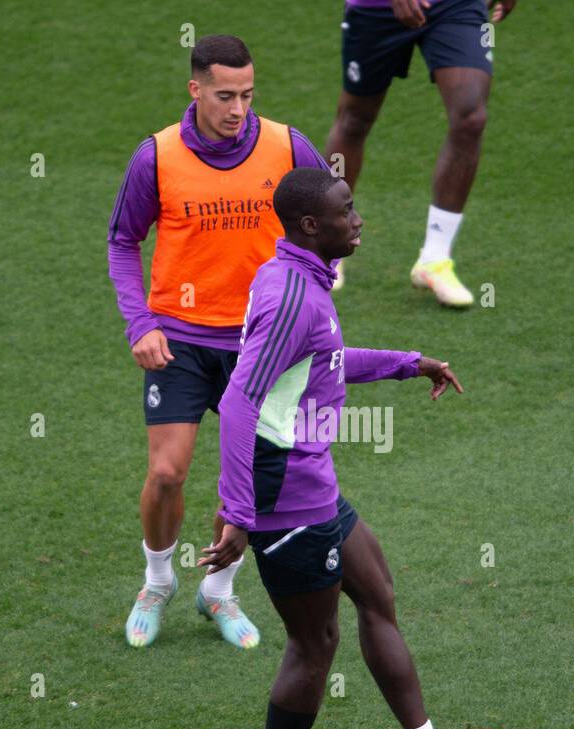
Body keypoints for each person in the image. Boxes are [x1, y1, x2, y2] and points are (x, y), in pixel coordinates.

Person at [199, 167, 464, 729]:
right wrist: (238, 514)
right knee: (314, 643)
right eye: (348, 211)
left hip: (313, 485)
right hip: (285, 496)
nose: (360, 218)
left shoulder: (297, 278)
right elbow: (238, 401)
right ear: (312, 226)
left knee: (377, 590)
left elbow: (325, 361)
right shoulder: (294, 296)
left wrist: (409, 362)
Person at [108, 35, 330, 649]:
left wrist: (312, 300)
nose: (238, 109)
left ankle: (219, 592)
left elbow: (329, 219)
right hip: (178, 341)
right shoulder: (157, 155)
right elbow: (123, 241)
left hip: (261, 344)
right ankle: (157, 582)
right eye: (226, 95)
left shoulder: (287, 146)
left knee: (253, 479)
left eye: (248, 95)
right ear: (196, 89)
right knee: (168, 472)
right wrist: (140, 322)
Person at [323, 0, 518, 306]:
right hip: (376, 9)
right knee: (355, 120)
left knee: (471, 118)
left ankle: (435, 258)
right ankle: (328, 245)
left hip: (457, 6)